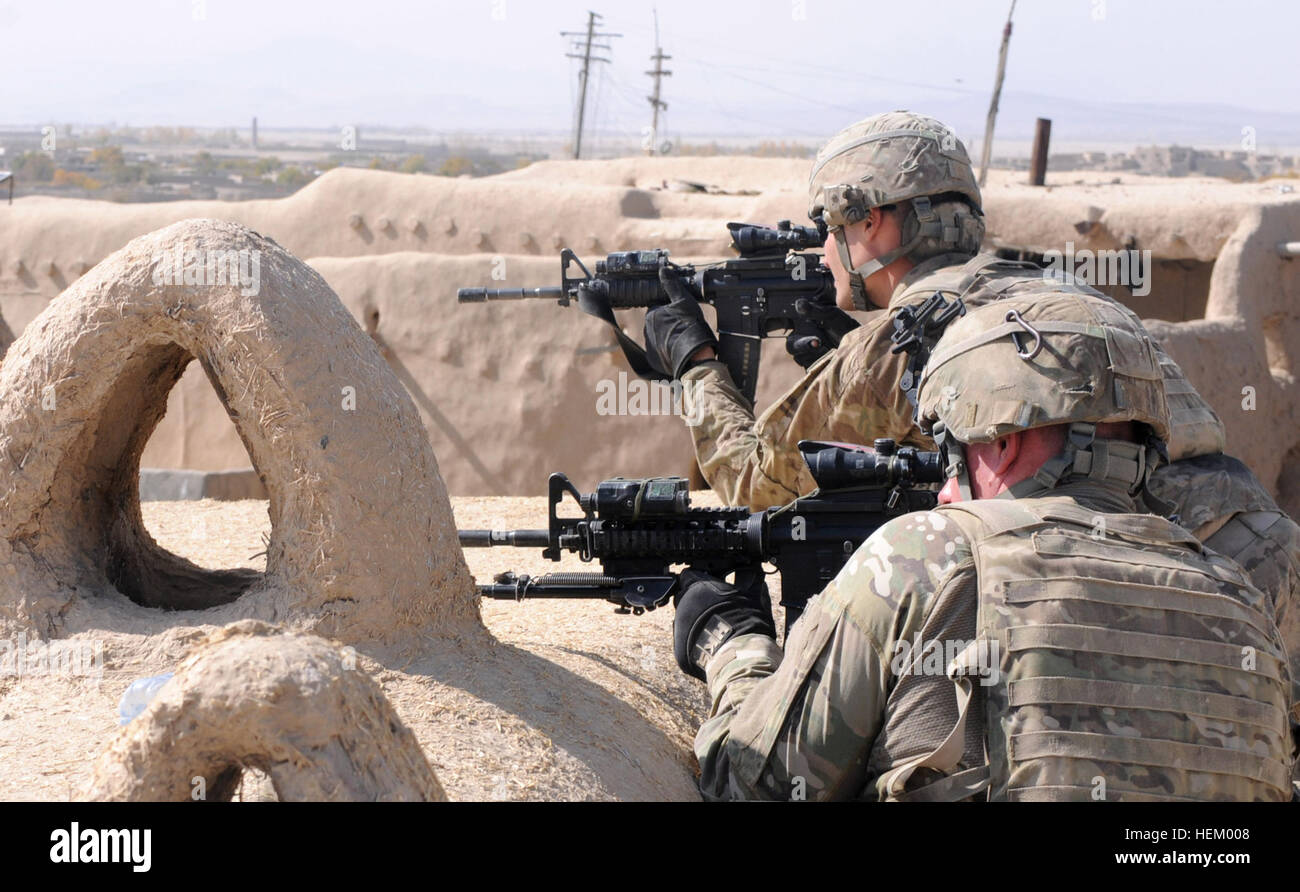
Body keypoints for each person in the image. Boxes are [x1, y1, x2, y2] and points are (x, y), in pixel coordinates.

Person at [643, 109, 1300, 693]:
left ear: (869, 221)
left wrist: (695, 362)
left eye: (830, 226)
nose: (824, 250)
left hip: (1133, 617)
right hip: (1260, 574)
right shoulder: (1073, 294)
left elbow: (754, 480)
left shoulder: (900, 340)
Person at [672, 292, 1296, 801]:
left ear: (1001, 444)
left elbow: (755, 784)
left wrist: (732, 643)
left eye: (951, 452)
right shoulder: (1238, 597)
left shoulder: (930, 552)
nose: (945, 489)